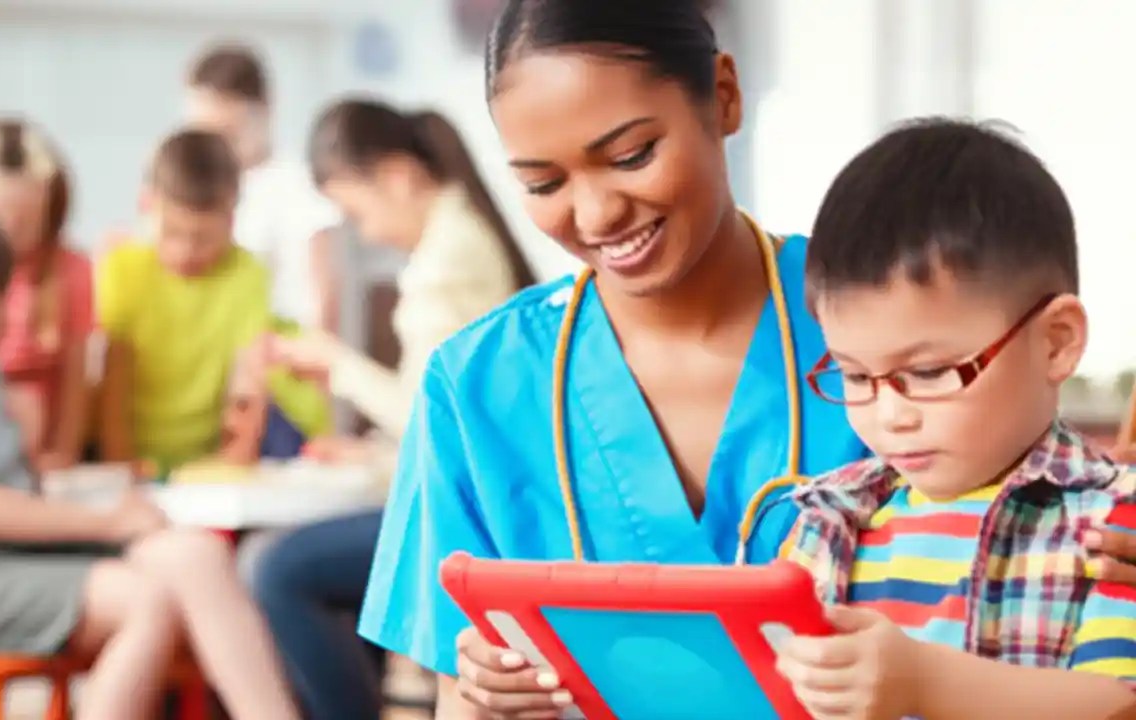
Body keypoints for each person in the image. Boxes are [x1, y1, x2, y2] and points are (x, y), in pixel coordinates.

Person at [356, 1, 870, 716]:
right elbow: (457, 698)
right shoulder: (475, 388)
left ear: (723, 96)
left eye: (631, 156)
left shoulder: (886, 327)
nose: (595, 215)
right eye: (544, 184)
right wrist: (485, 697)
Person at [0, 195, 300, 720]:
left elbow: (20, 480)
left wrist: (91, 490)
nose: (7, 320)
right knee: (145, 602)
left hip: (22, 553)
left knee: (197, 554)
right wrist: (106, 522)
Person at [778, 119, 1136, 720]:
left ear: (1055, 343)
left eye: (930, 373)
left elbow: (1117, 703)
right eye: (857, 377)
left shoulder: (1109, 522)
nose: (892, 417)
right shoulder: (828, 520)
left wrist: (922, 682)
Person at [251, 100, 536, 720]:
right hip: (483, 501)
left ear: (399, 177)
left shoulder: (445, 261)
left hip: (475, 522)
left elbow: (427, 416)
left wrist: (334, 363)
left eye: (358, 212)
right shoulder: (460, 238)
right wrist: (373, 452)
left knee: (278, 571)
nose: (369, 233)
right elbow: (455, 417)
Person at [95, 129, 272, 471]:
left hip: (206, 459)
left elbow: (249, 379)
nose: (186, 251)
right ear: (147, 206)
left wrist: (233, 460)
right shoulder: (122, 266)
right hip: (131, 453)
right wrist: (119, 460)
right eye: (172, 233)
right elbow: (113, 376)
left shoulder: (248, 274)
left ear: (232, 217)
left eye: (205, 238)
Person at [0, 117, 92, 471]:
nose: (9, 231)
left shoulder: (69, 270)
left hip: (45, 459)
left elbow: (76, 375)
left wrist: (63, 453)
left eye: (26, 218)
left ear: (51, 207)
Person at [185, 42, 340, 327]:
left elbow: (325, 294)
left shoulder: (298, 185)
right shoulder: (194, 189)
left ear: (263, 111)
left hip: (283, 351)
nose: (216, 147)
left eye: (228, 132)